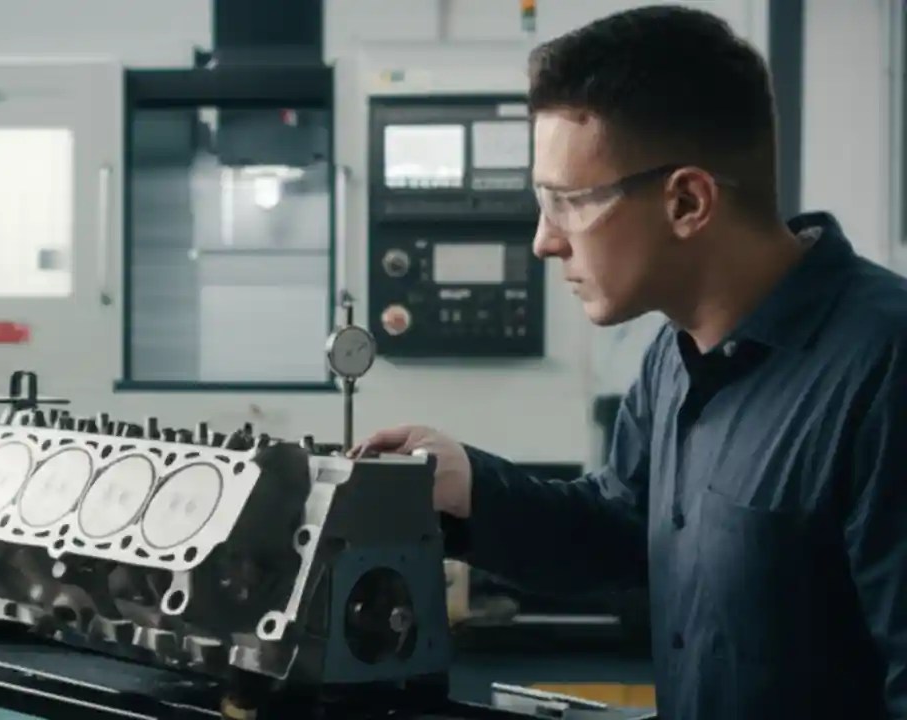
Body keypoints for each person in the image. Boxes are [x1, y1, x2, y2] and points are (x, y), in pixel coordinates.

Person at [354, 6, 907, 720]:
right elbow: (622, 530)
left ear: (686, 201)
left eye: (566, 203)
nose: (543, 242)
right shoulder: (676, 356)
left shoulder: (883, 368)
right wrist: (469, 486)